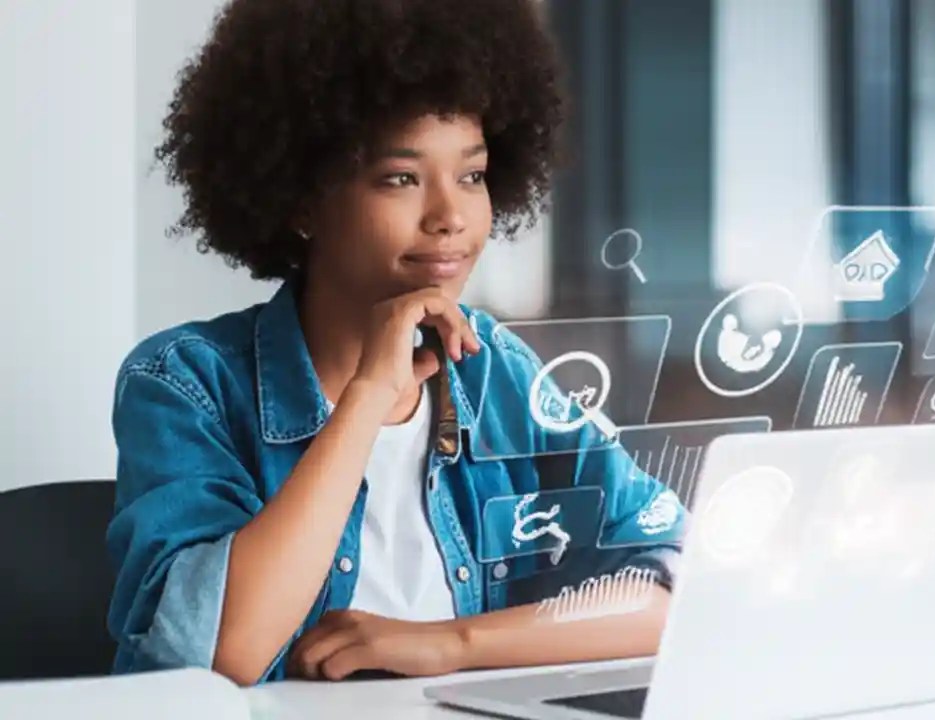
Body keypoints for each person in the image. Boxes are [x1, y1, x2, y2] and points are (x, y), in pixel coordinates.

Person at [107, 0, 682, 686]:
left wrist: (451, 642)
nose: (451, 216)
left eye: (471, 175)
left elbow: (673, 587)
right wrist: (369, 394)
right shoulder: (185, 384)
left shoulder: (495, 371)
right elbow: (221, 654)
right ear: (302, 201)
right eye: (401, 178)